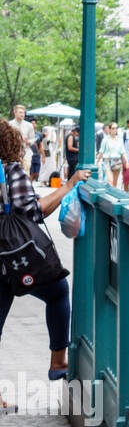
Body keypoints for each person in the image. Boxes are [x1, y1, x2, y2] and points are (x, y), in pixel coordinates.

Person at [0, 122, 89, 387]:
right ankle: (58, 360)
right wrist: (68, 186)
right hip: (15, 257)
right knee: (58, 291)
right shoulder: (10, 170)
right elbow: (33, 212)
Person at [95, 122, 125, 188]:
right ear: (109, 129)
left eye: (116, 128)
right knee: (110, 181)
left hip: (117, 161)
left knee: (115, 183)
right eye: (113, 128)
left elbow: (122, 152)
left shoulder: (119, 140)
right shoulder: (105, 140)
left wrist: (126, 162)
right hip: (107, 161)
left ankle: (113, 197)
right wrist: (97, 162)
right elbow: (101, 151)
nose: (115, 130)